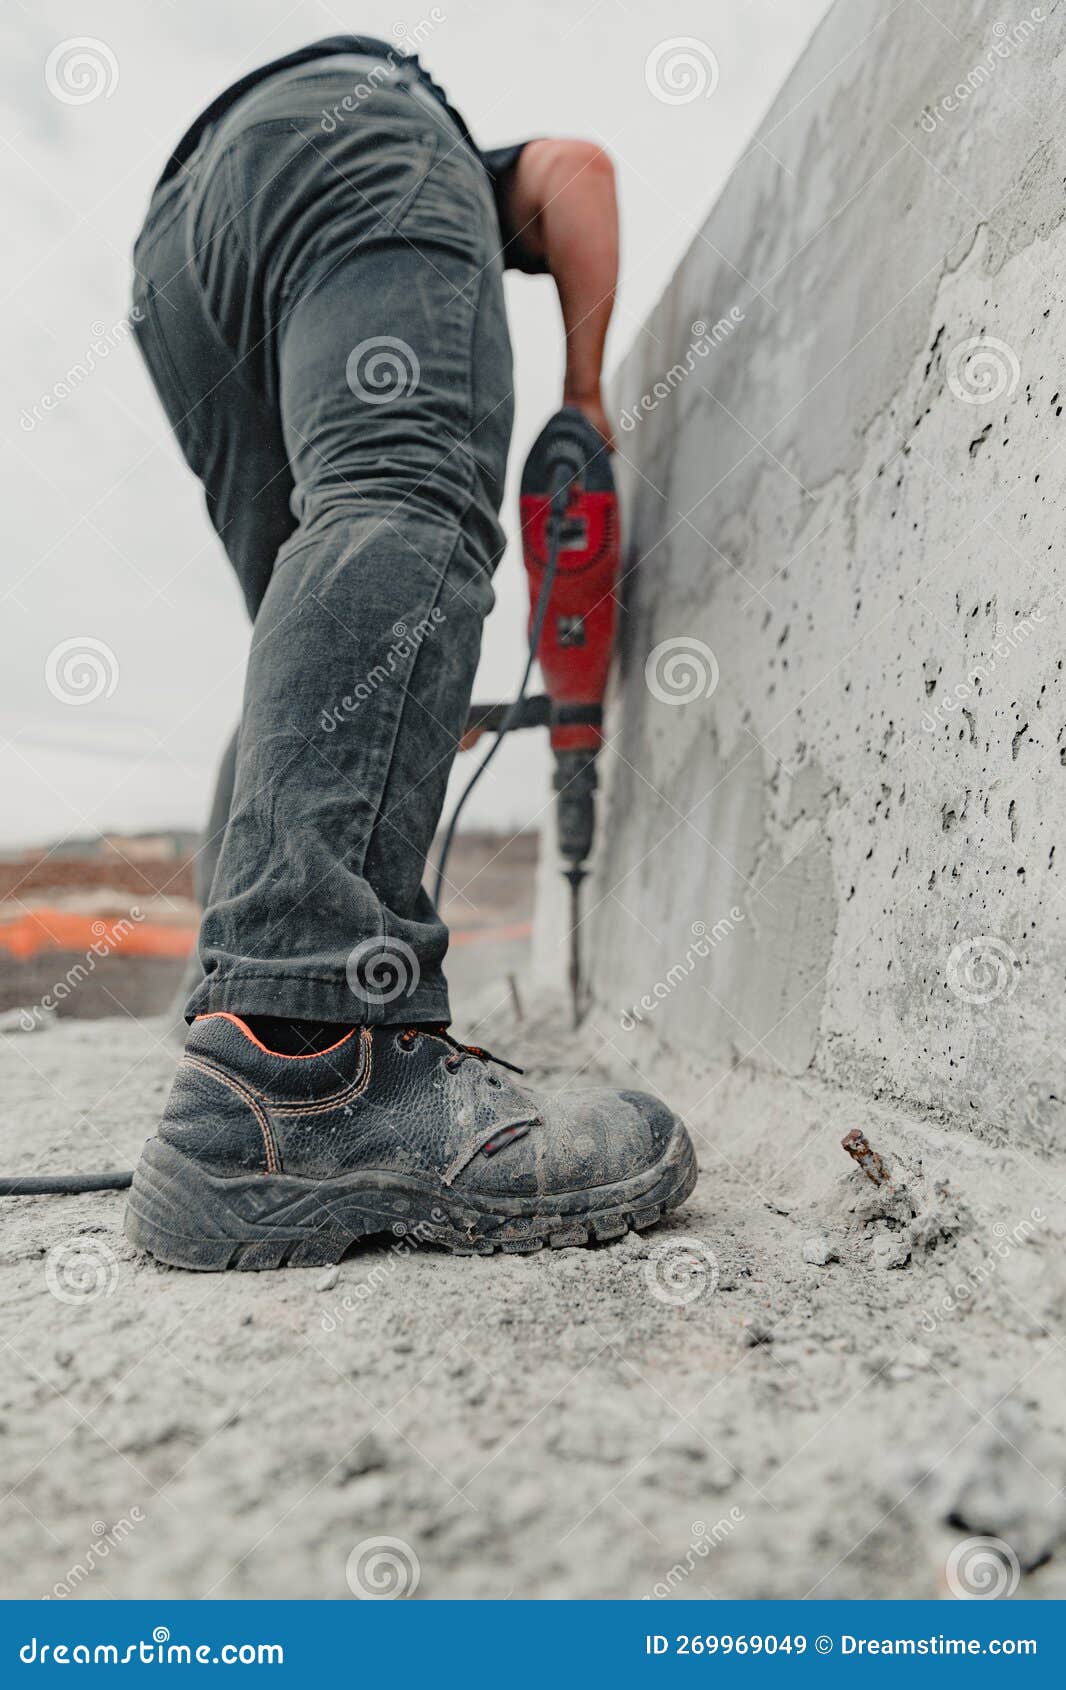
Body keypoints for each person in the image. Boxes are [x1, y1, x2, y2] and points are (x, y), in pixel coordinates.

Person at [124, 35, 695, 1270]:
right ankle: (316, 1055)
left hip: (177, 254)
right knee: (404, 491)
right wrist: (586, 396)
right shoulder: (453, 173)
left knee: (311, 589)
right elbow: (582, 170)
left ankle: (241, 1055)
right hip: (343, 124)